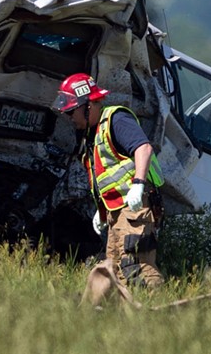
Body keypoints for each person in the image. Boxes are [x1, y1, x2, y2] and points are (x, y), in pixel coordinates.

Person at [52, 72, 165, 288]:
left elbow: (144, 148)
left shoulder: (116, 119)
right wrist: (102, 212)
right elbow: (106, 177)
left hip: (135, 208)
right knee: (115, 270)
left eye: (72, 111)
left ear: (88, 105)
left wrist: (138, 186)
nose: (70, 118)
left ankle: (158, 313)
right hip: (117, 212)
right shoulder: (93, 134)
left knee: (136, 267)